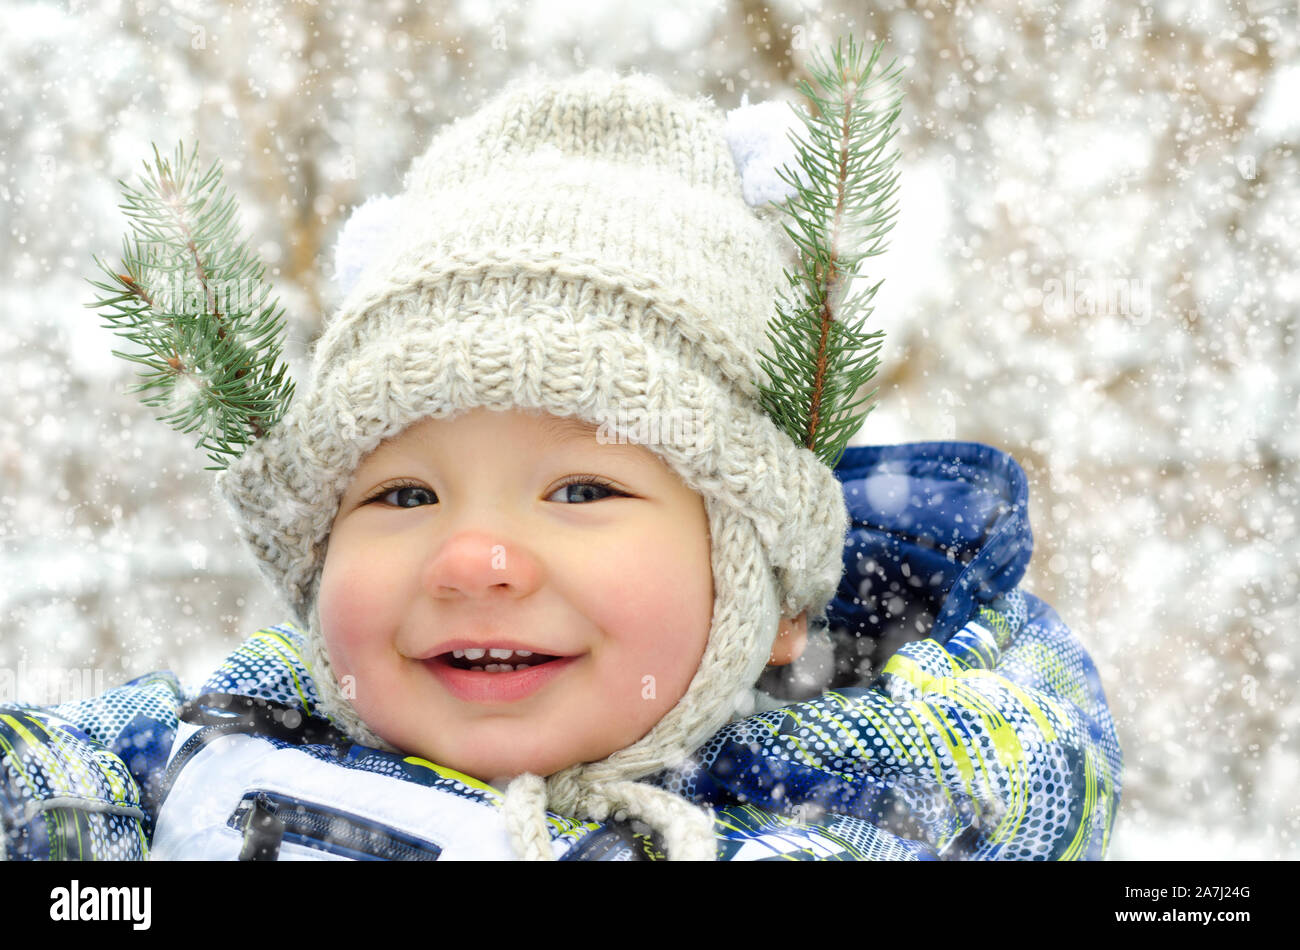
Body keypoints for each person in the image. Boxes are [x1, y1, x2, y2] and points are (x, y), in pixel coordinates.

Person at [0, 67, 1122, 861]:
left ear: (760, 592)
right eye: (402, 492)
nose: (474, 556)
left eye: (582, 489)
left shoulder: (860, 791)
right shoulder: (232, 732)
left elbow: (1006, 781)